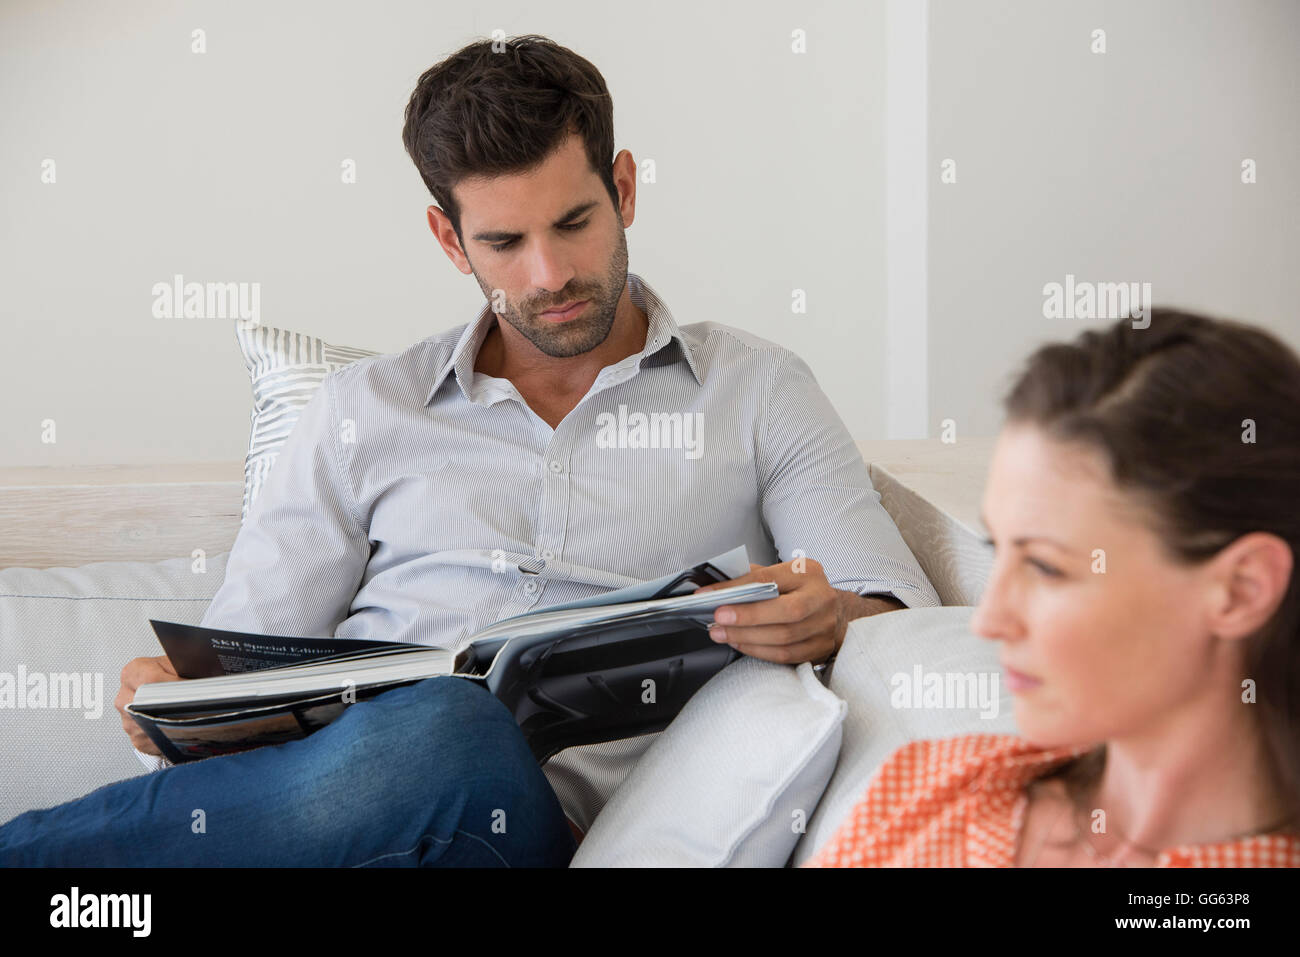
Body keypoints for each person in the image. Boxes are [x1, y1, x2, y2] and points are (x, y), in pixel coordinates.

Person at [0, 35, 936, 866]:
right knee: (429, 718)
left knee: (458, 728)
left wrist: (829, 614)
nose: (551, 275)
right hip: (344, 825)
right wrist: (167, 703)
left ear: (625, 188)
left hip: (524, 831)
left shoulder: (759, 390)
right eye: (505, 241)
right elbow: (241, 675)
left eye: (574, 223)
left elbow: (907, 617)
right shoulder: (364, 409)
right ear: (451, 240)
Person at [805, 309, 1300, 867]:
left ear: (1242, 589)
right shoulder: (936, 786)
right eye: (1001, 553)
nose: (988, 622)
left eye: (1045, 568)